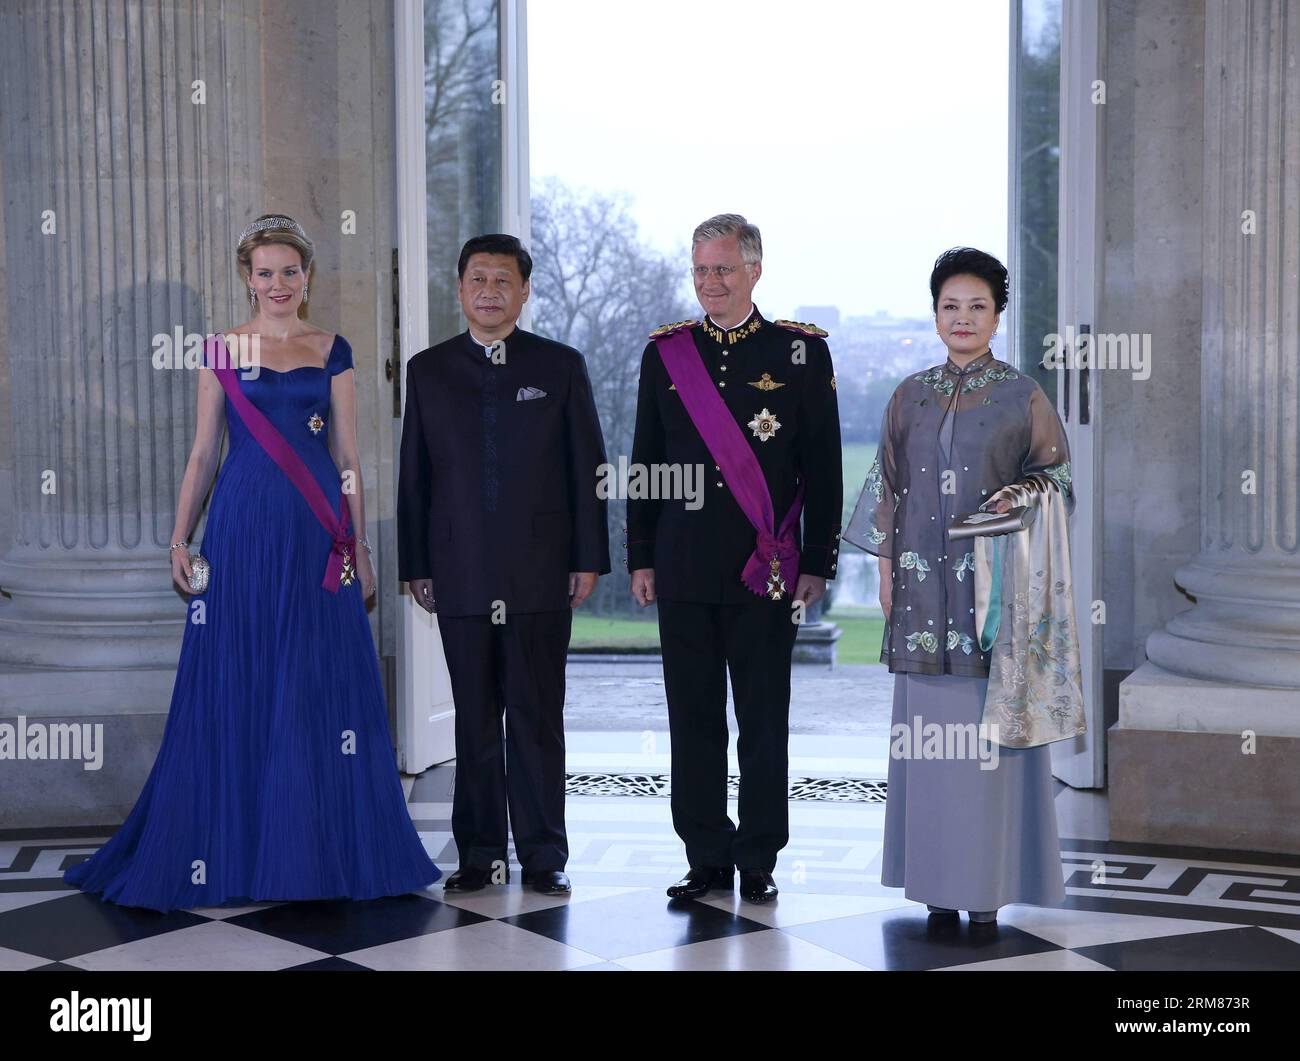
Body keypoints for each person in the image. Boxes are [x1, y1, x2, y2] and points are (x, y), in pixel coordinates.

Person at [63, 214, 440, 911]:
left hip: (317, 528)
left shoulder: (333, 348)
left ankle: (318, 848)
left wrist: (359, 546)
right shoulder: (220, 351)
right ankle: (231, 845)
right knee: (239, 675)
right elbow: (204, 452)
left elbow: (348, 457)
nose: (277, 284)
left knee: (314, 679)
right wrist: (180, 538)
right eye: (264, 273)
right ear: (247, 278)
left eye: (289, 272)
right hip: (240, 529)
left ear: (307, 277)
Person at [844, 246, 1073, 924]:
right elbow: (886, 487)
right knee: (929, 745)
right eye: (951, 306)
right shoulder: (909, 394)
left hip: (992, 604)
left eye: (977, 306)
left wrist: (1002, 508)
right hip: (919, 602)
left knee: (986, 757)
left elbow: (1057, 481)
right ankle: (934, 888)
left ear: (997, 314)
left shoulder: (1022, 394)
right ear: (935, 313)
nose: (963, 317)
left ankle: (984, 893)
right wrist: (886, 569)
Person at [628, 214, 843, 904]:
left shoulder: (801, 353)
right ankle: (705, 854)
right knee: (691, 719)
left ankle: (757, 854)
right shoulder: (666, 354)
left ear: (754, 269)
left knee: (762, 717)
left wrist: (819, 560)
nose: (709, 283)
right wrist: (640, 556)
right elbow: (646, 464)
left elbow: (825, 467)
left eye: (722, 268)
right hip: (684, 564)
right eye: (699, 270)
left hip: (767, 569)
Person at [397, 234, 609, 896]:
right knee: (474, 717)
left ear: (524, 291)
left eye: (503, 280)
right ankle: (480, 854)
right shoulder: (428, 370)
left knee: (537, 716)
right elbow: (415, 477)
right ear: (459, 289)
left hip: (542, 573)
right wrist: (416, 563)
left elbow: (588, 471)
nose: (489, 290)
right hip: (458, 572)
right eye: (478, 279)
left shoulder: (561, 365)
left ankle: (545, 853)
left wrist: (589, 558)